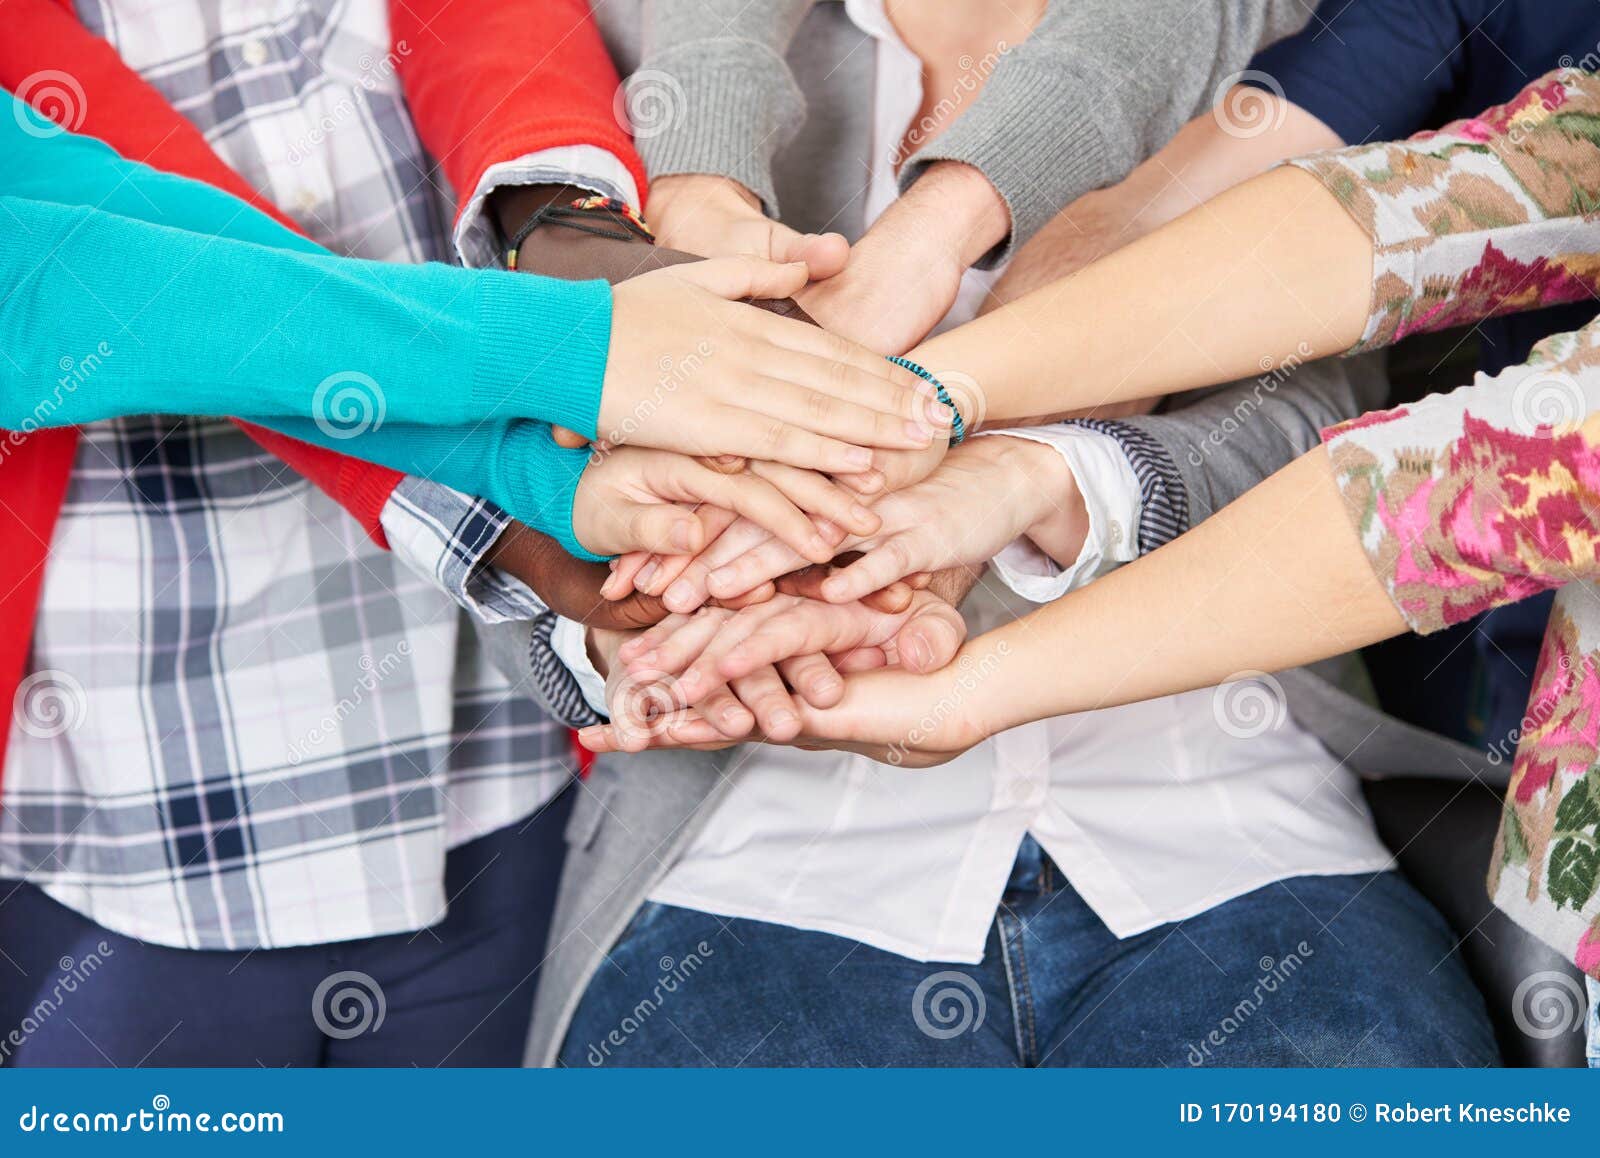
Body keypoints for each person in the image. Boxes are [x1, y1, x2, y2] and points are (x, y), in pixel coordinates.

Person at [515, 0, 1498, 1067]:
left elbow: (1314, 432)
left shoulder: (1272, 54)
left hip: (1226, 820)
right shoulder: (651, 61)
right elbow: (503, 472)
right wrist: (640, 631)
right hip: (756, 849)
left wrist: (1033, 483)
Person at [0, 0, 920, 1067]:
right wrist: (563, 371)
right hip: (135, 823)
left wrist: (568, 236)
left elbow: (477, 37)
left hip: (491, 780)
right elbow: (81, 273)